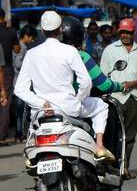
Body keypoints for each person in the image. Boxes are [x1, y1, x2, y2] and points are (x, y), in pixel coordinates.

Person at [14, 11, 115, 161]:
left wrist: (41, 103)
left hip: (42, 111)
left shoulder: (31, 54)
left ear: (42, 30)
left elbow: (19, 89)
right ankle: (99, 146)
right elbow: (86, 82)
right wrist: (78, 99)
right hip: (68, 108)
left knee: (33, 127)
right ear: (60, 29)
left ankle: (30, 156)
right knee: (101, 106)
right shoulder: (70, 51)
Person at [99, 18, 137, 179]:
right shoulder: (110, 50)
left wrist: (132, 83)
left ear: (133, 33)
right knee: (112, 134)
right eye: (122, 32)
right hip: (113, 98)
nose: (125, 35)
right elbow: (102, 76)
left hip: (133, 97)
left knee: (129, 136)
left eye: (128, 32)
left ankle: (125, 167)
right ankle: (111, 167)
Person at [12, 24, 38, 139]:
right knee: (21, 110)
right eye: (32, 37)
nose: (32, 40)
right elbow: (17, 64)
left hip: (17, 81)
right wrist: (30, 64)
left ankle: (20, 132)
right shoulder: (21, 48)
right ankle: (20, 133)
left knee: (21, 110)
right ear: (26, 36)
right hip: (18, 81)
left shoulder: (21, 46)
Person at [0, 9, 19, 145]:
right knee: (5, 102)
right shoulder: (11, 31)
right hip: (6, 68)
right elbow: (17, 49)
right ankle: (2, 135)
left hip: (4, 67)